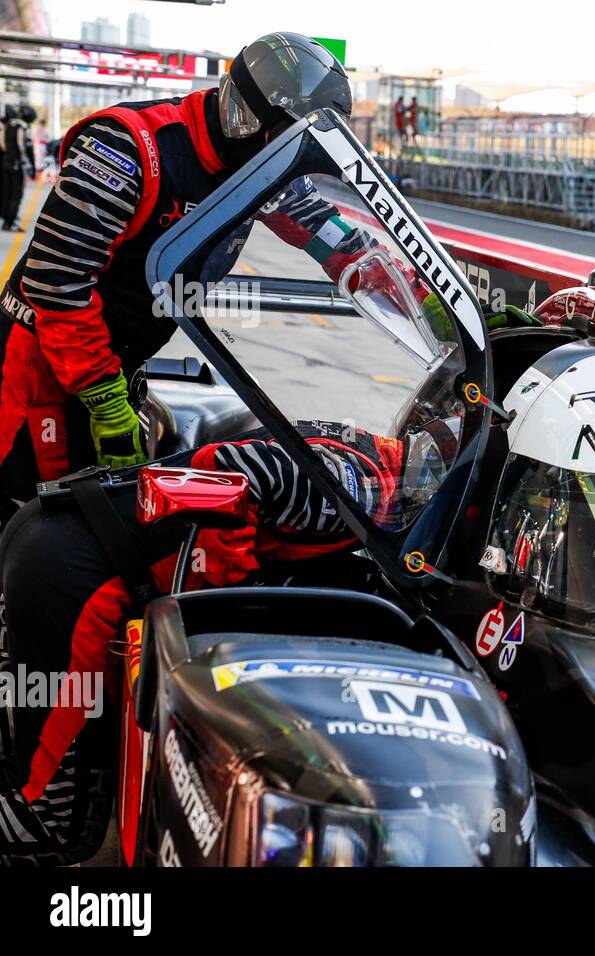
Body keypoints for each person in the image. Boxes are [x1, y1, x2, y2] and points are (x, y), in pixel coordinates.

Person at [0, 421, 413, 864]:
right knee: (55, 819)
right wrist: (227, 593)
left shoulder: (372, 455)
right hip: (70, 577)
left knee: (39, 758)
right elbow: (232, 467)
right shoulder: (368, 487)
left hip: (69, 540)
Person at [0, 33, 360, 524]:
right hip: (41, 365)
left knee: (100, 518)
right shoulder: (127, 146)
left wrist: (416, 292)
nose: (292, 162)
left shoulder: (267, 164)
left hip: (116, 362)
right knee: (36, 519)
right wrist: (106, 400)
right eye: (290, 144)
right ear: (250, 120)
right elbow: (55, 283)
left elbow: (332, 237)